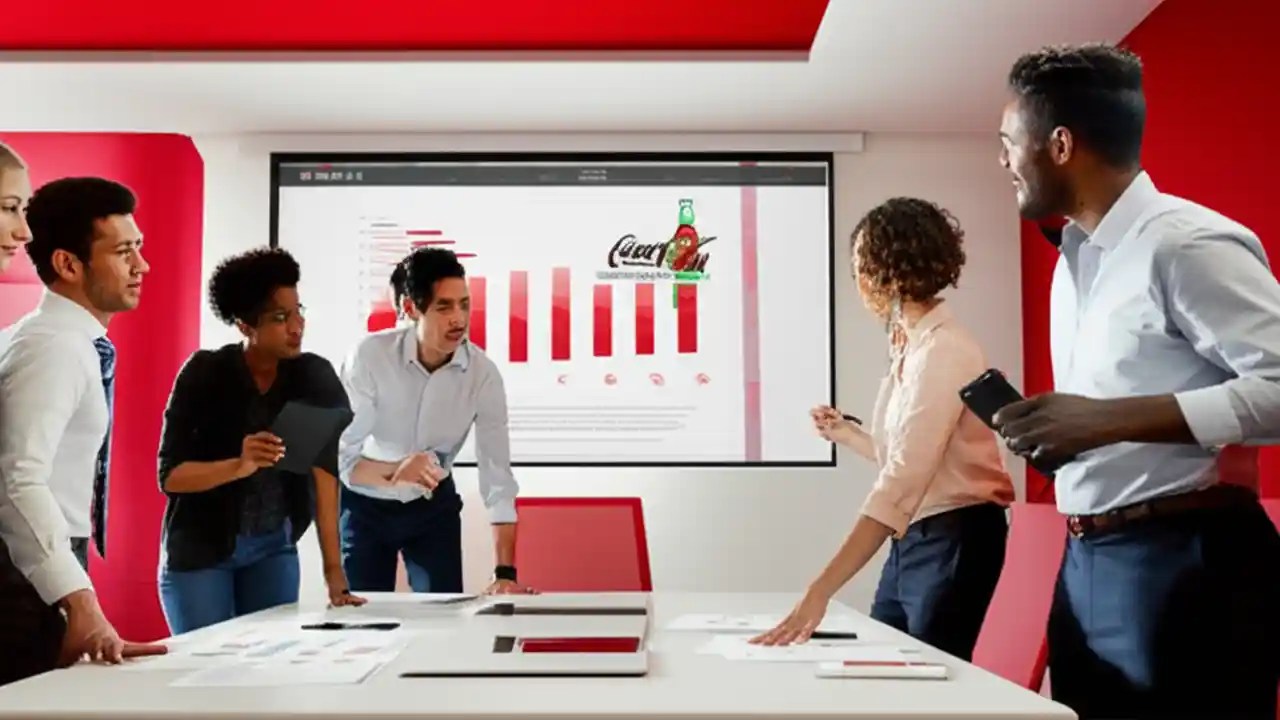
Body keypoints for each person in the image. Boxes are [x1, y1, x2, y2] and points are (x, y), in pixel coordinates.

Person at [994, 43, 1280, 719]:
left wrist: (1108, 420)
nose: (1002, 160)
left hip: (1191, 566)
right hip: (1089, 557)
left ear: (1059, 145)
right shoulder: (1071, 264)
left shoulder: (1187, 243)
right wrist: (1067, 437)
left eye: (1008, 142)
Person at [752, 198, 1014, 661]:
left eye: (858, 268)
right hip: (914, 535)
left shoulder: (945, 351)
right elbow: (905, 455)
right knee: (886, 668)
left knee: (929, 683)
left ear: (881, 273)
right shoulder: (914, 345)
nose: (856, 283)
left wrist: (819, 590)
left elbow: (900, 483)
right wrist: (845, 434)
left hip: (953, 537)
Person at [0, 174, 166, 684]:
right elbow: (18, 480)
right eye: (123, 252)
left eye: (138, 248)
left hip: (41, 566)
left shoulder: (63, 341)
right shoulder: (51, 348)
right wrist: (79, 602)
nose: (142, 266)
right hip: (22, 576)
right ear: (68, 264)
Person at [155, 247, 366, 634]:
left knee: (269, 670)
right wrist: (239, 464)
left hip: (272, 549)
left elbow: (323, 475)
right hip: (201, 552)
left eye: (299, 311)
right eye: (280, 318)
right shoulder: (205, 373)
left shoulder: (312, 378)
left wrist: (334, 571)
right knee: (206, 670)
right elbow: (171, 477)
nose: (297, 326)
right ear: (244, 325)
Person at [338, 246, 531, 595]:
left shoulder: (483, 375)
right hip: (365, 506)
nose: (459, 319)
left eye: (464, 304)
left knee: (444, 619)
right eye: (444, 307)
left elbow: (497, 475)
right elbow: (340, 456)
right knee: (361, 625)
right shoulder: (369, 357)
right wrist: (398, 470)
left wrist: (505, 572)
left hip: (432, 508)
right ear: (410, 308)